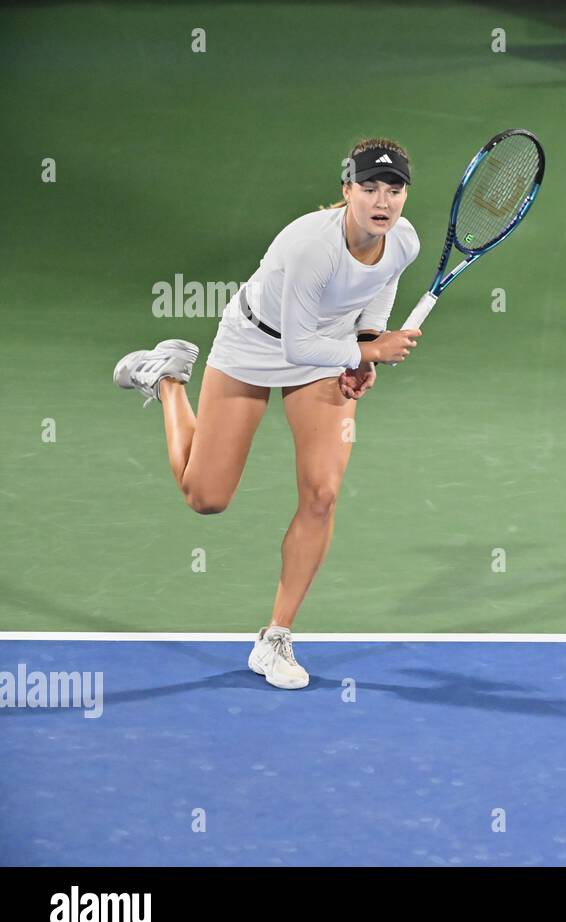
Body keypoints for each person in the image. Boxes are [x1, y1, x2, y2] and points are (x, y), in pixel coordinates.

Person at [113, 137, 424, 689]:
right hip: (256, 345)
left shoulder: (403, 241)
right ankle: (166, 380)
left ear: (404, 194)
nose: (382, 200)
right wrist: (370, 352)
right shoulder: (310, 245)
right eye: (369, 187)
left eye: (393, 189)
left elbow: (380, 288)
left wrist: (367, 338)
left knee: (323, 494)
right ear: (347, 190)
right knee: (205, 497)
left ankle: (276, 637)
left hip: (323, 349)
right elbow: (296, 348)